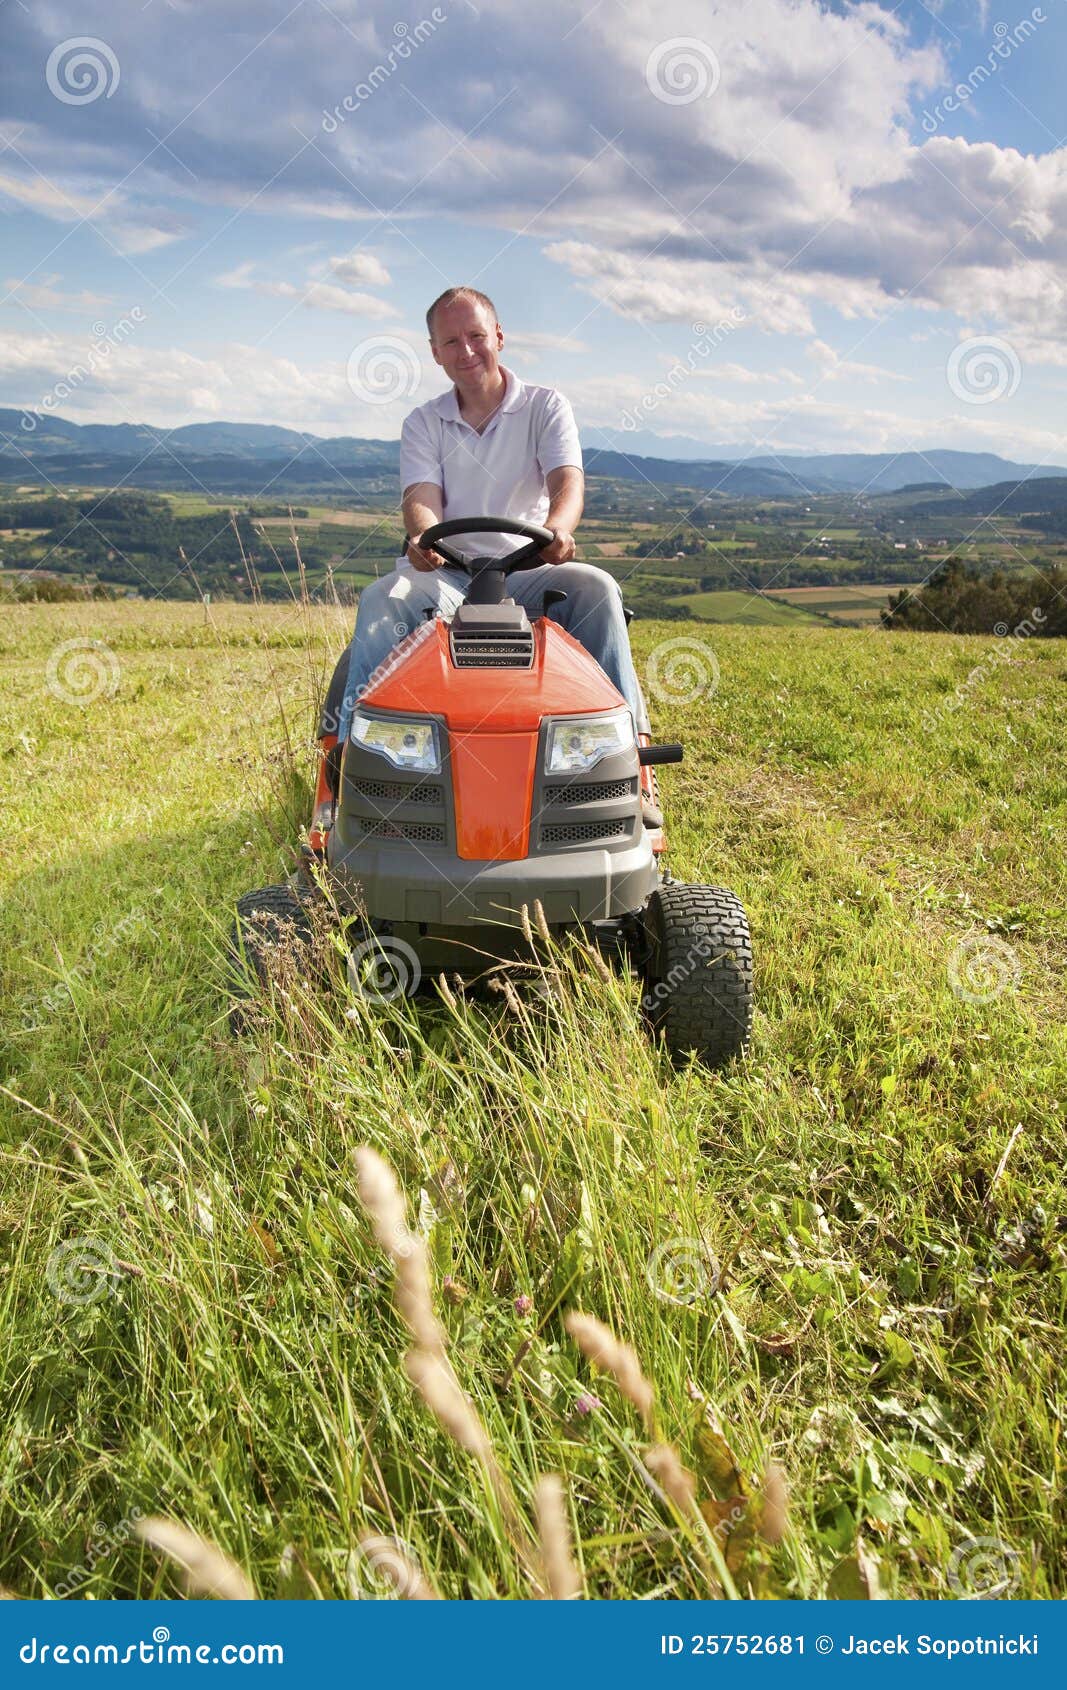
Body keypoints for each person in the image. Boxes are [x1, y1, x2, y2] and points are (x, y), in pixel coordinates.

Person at [337, 285, 658, 822]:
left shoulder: (545, 406)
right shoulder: (423, 422)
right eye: (451, 342)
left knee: (598, 589)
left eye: (476, 337)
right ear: (435, 352)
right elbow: (422, 500)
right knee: (382, 599)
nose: (466, 352)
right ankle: (345, 770)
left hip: (526, 572)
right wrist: (422, 537)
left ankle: (635, 769)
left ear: (500, 338)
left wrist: (557, 529)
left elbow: (567, 482)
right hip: (448, 575)